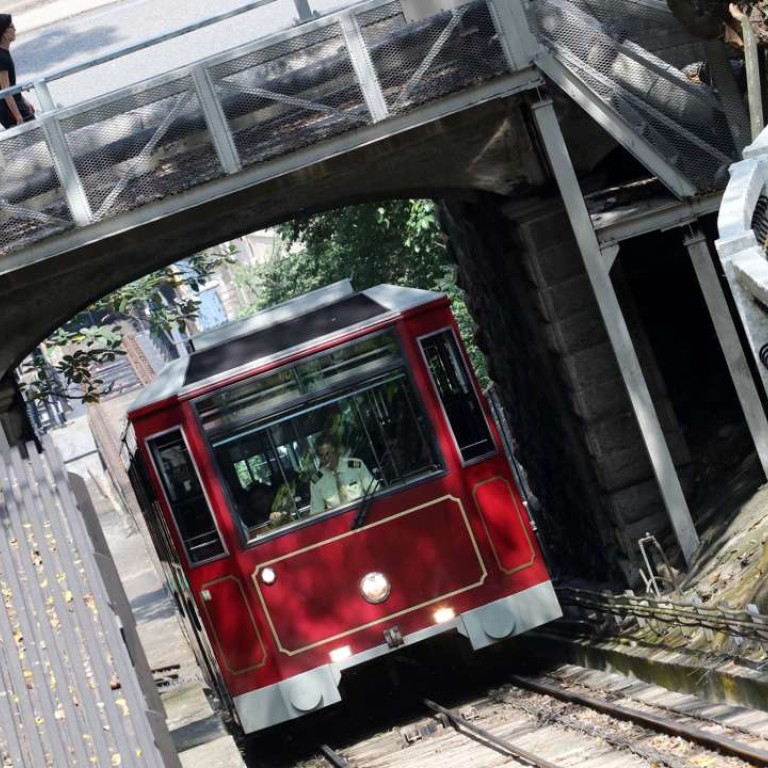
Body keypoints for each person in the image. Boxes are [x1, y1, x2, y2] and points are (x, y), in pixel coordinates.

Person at [310, 432, 377, 514]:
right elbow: (316, 512)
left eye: (328, 453)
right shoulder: (317, 480)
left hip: (363, 513)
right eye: (321, 456)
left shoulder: (355, 465)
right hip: (339, 522)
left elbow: (374, 490)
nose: (326, 459)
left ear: (337, 451)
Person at [0, 15, 34, 129]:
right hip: (9, 109)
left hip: (16, 103)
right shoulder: (1, 57)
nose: (15, 29)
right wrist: (18, 116)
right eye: (11, 27)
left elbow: (11, 86)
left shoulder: (4, 52)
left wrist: (24, 101)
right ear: (3, 33)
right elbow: (6, 91)